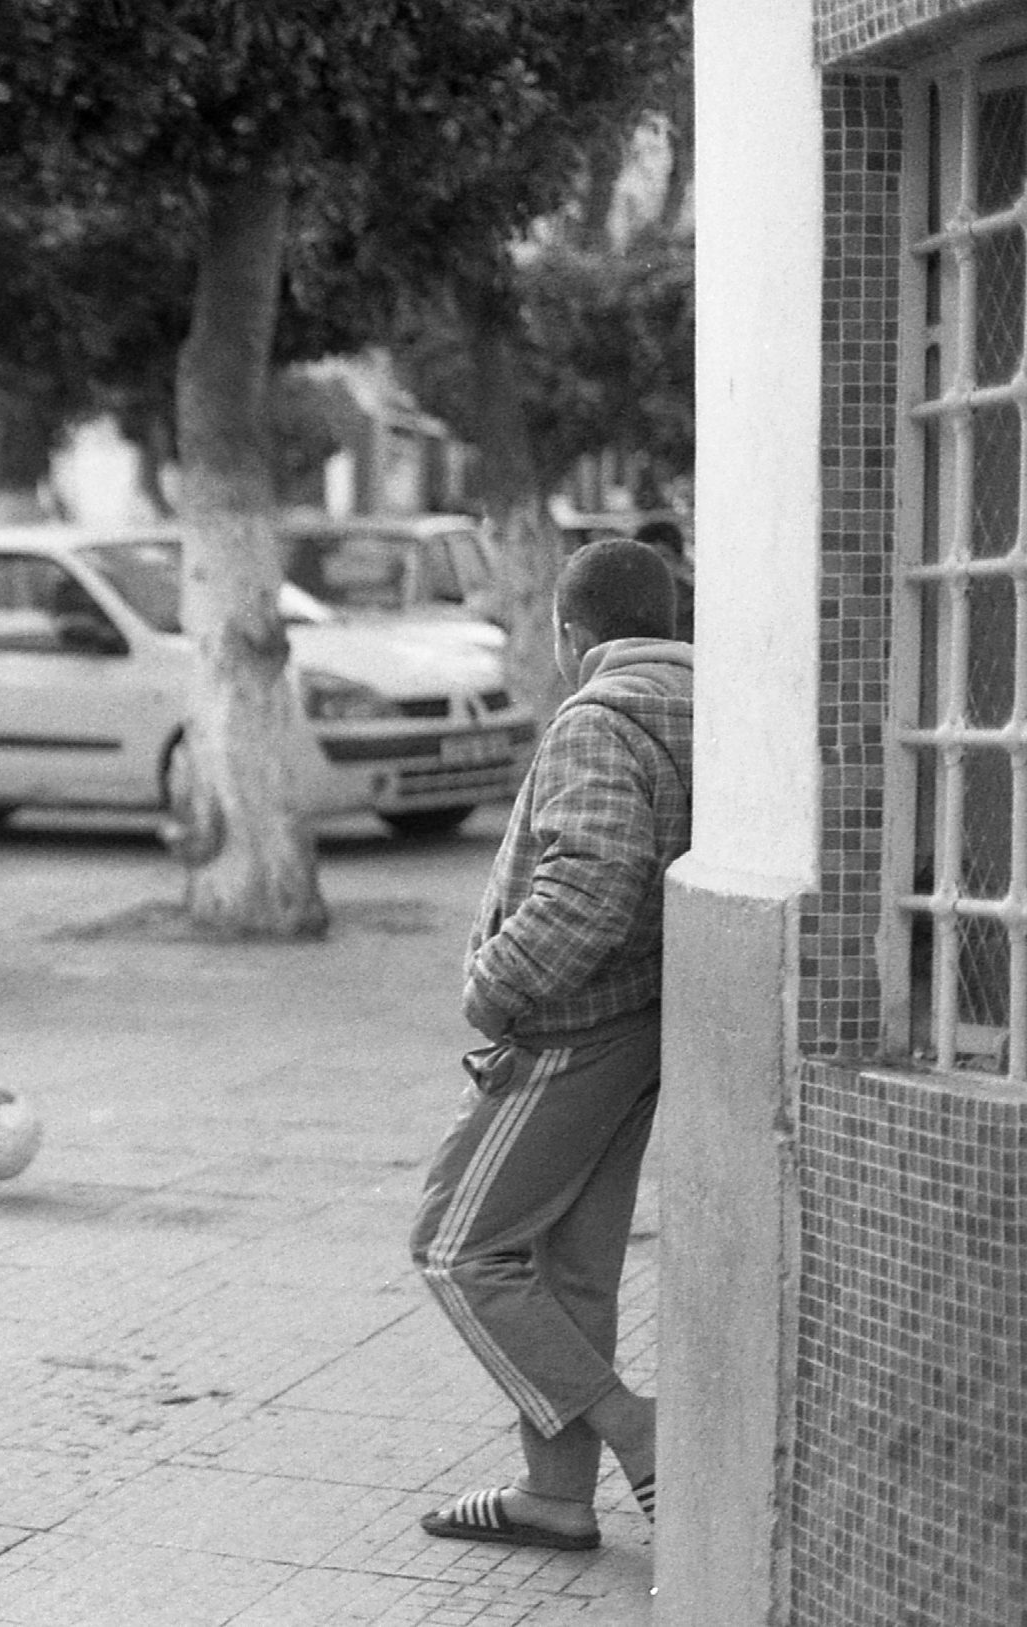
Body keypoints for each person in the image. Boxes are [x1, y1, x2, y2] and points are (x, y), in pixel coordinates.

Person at [410, 537, 692, 1549]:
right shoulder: (709, 706)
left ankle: (637, 1432)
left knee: (456, 1249)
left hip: (572, 1033)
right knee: (569, 1268)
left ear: (575, 635)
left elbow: (588, 884)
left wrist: (495, 987)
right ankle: (554, 1496)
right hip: (648, 1026)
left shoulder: (596, 717)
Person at [632, 518, 695, 642]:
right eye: (646, 559)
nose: (654, 566)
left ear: (680, 560)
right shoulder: (628, 608)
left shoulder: (697, 605)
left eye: (664, 557)